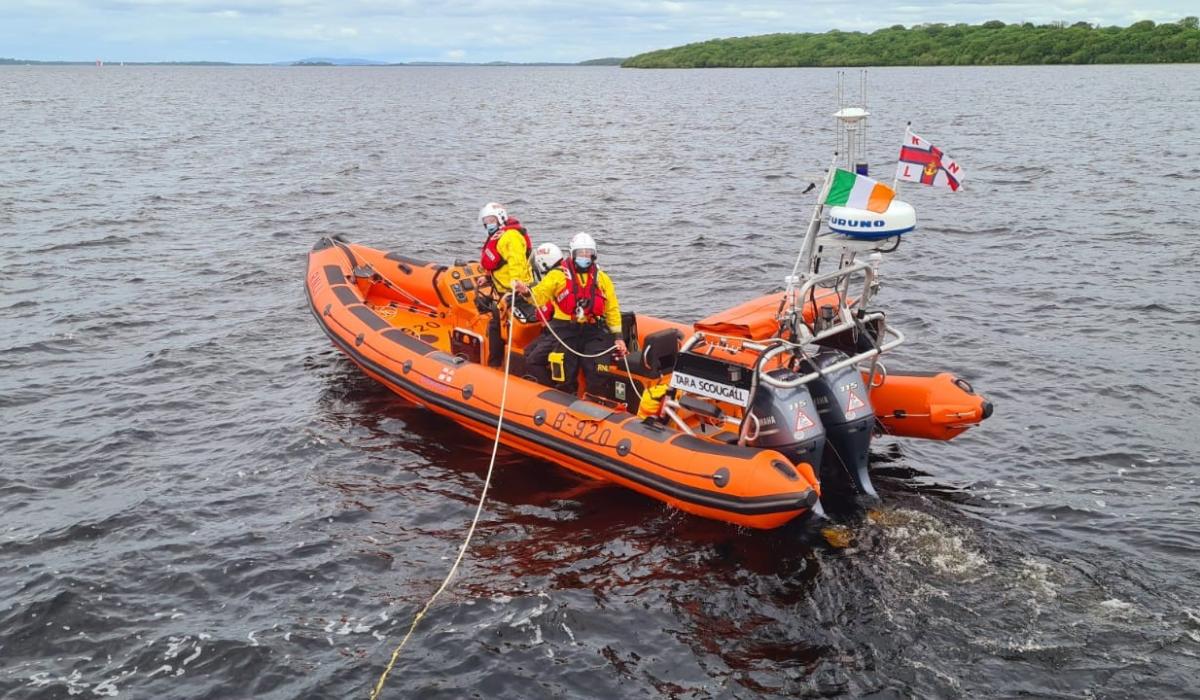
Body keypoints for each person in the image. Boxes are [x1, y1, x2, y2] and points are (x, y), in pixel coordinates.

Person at [514, 233, 627, 395]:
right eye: (581, 253)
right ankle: (562, 396)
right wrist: (526, 292)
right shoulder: (557, 276)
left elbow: (612, 309)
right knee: (564, 368)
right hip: (565, 329)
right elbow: (539, 295)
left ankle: (595, 398)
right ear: (573, 254)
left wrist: (618, 336)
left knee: (597, 367)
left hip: (592, 329)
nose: (584, 257)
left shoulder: (602, 279)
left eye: (588, 253)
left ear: (594, 255)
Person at [477, 202, 534, 367]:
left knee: (499, 326)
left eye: (491, 219)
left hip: (515, 292)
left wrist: (516, 286)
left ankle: (496, 364)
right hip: (505, 291)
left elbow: (517, 263)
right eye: (486, 221)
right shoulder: (501, 235)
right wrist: (488, 277)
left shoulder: (511, 237)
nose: (488, 224)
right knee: (496, 323)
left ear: (500, 217)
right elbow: (500, 263)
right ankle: (497, 361)